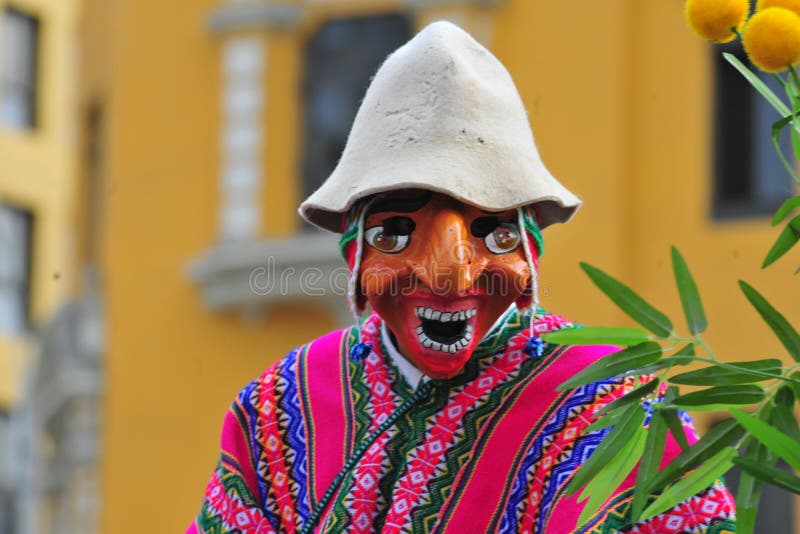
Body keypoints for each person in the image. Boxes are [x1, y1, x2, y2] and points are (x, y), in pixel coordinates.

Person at [189, 21, 736, 533]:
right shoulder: (282, 402)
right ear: (353, 251)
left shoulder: (616, 403)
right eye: (395, 234)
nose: (449, 275)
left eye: (492, 234)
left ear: (530, 250)